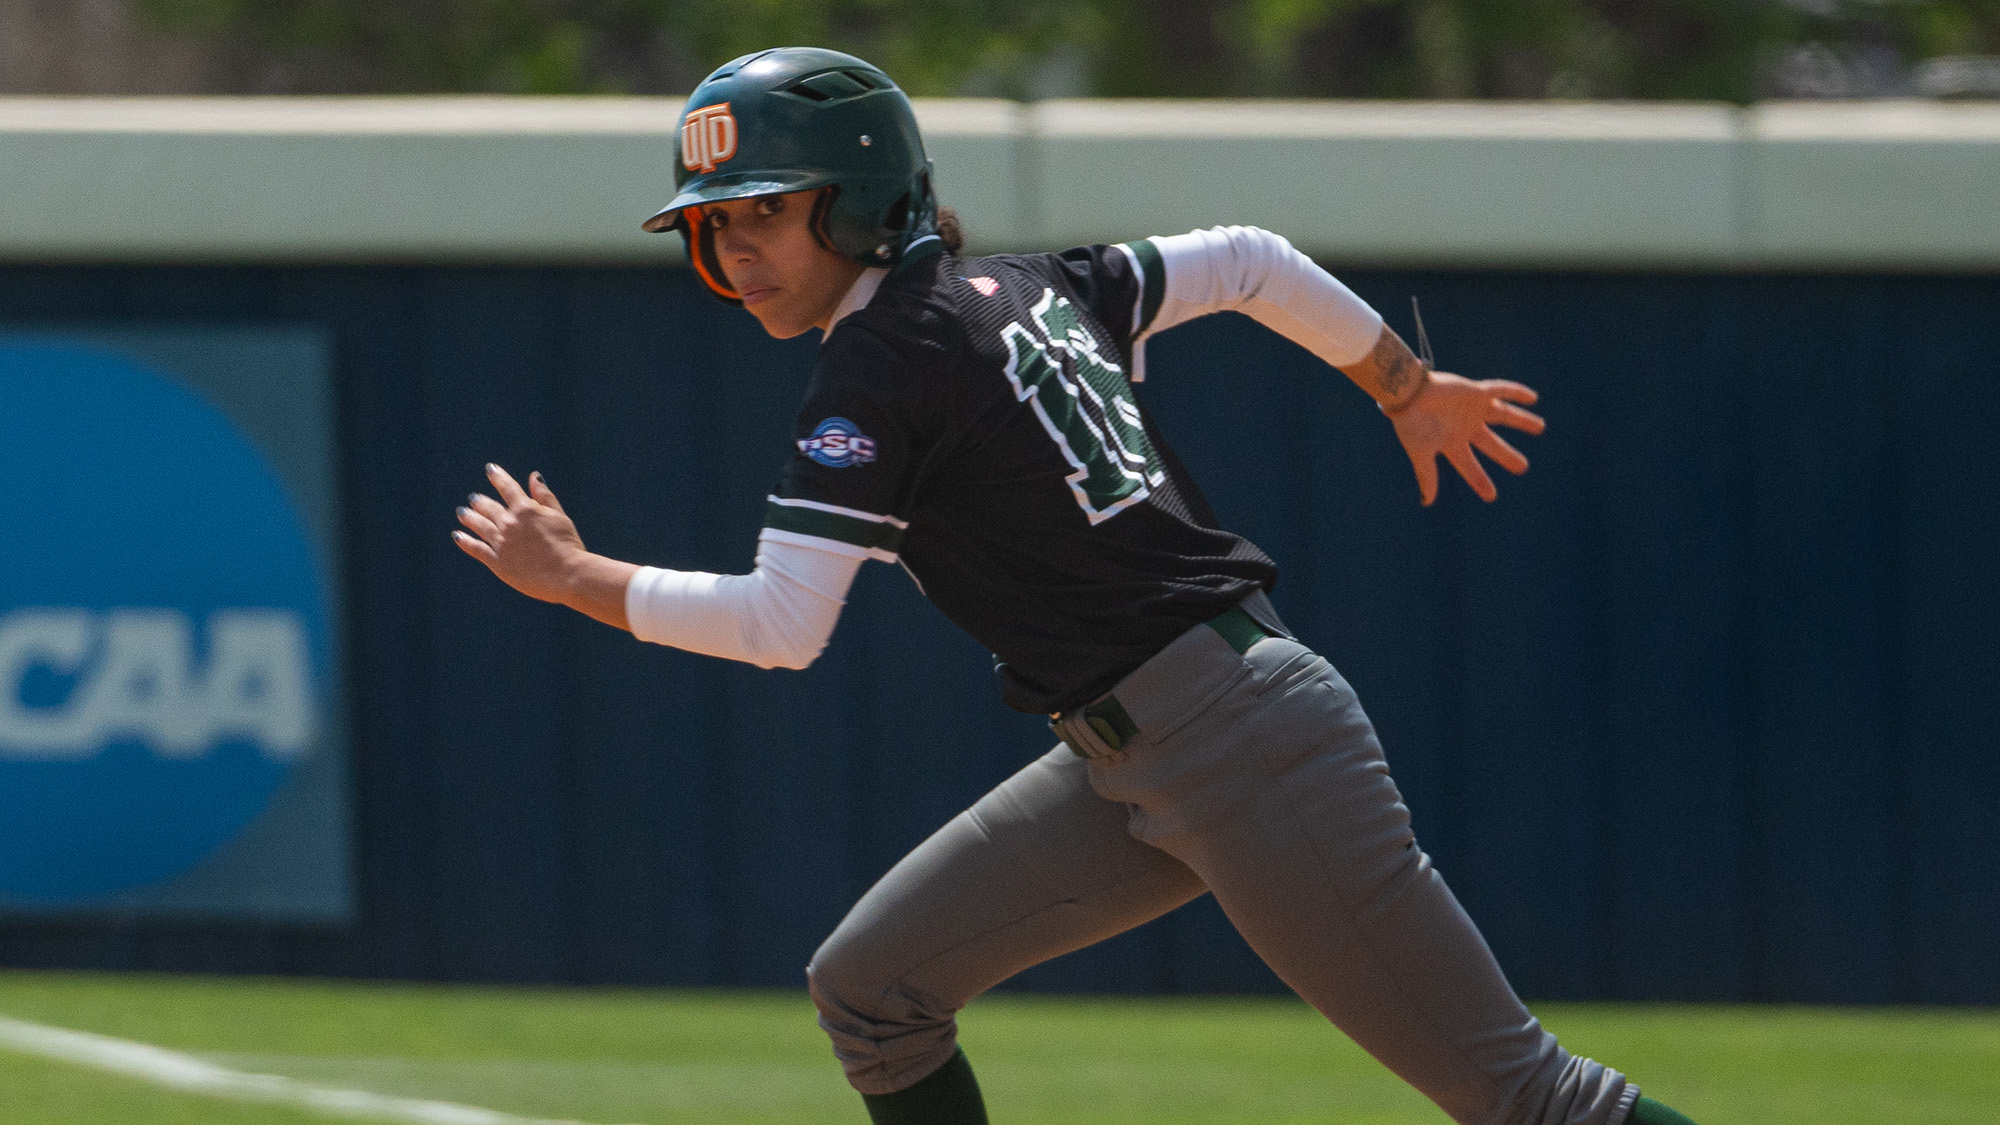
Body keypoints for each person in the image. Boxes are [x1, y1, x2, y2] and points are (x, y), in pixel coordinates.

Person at [453, 46, 1700, 1125]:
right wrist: (1401, 385)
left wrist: (574, 579)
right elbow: (1252, 262)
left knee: (1532, 1100)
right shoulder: (1031, 283)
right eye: (715, 225)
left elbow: (778, 627)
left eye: (765, 211)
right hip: (1140, 747)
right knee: (873, 994)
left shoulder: (881, 361)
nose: (735, 247)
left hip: (1237, 742)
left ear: (862, 199)